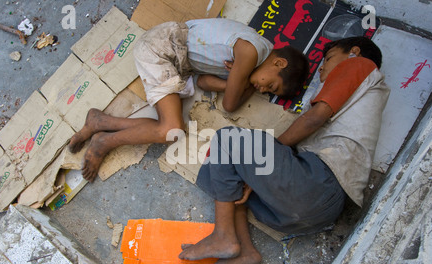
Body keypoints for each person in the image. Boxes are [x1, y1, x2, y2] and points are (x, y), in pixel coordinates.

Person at [178, 36, 391, 264]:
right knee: (229, 175)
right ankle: (245, 252)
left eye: (328, 59)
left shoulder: (360, 65)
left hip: (319, 184)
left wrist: (266, 153)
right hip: (305, 214)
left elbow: (315, 119)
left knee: (229, 140)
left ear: (353, 52)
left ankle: (223, 235)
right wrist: (254, 170)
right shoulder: (358, 93)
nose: (322, 68)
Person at [68, 18, 309, 182]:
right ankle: (105, 142)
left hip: (178, 64)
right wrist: (241, 81)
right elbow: (229, 104)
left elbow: (204, 82)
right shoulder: (251, 52)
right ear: (279, 63)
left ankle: (100, 122)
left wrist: (236, 80)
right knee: (171, 130)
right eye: (271, 85)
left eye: (267, 91)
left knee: (170, 129)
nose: (262, 88)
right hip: (160, 48)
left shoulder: (251, 63)